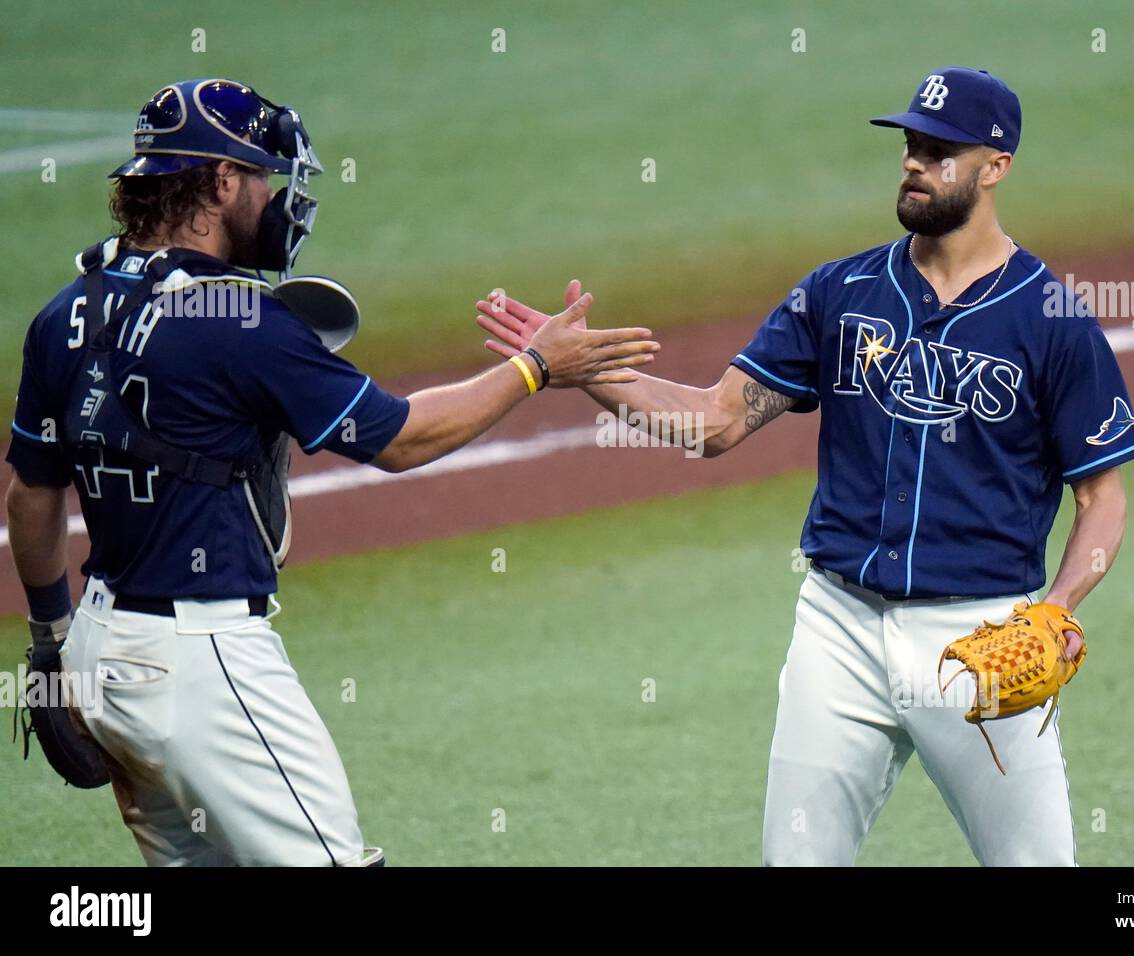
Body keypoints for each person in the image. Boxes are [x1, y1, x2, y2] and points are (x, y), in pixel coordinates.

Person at [475, 67, 1134, 866]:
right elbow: (717, 421)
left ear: (995, 167)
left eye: (938, 151)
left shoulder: (1052, 319)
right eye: (909, 146)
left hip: (981, 635)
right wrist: (579, 368)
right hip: (838, 628)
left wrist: (1059, 608)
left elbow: (1102, 497)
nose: (913, 164)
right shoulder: (841, 290)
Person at [5, 78, 658, 866]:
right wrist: (534, 366)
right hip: (201, 664)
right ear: (219, 181)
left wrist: (50, 648)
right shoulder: (239, 321)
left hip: (101, 648)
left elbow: (31, 497)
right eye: (264, 179)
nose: (276, 200)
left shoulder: (67, 313)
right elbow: (402, 438)